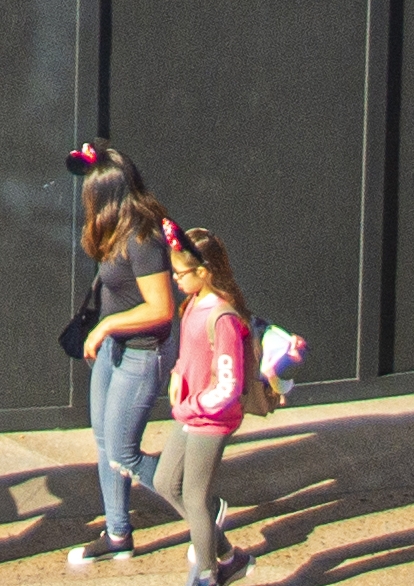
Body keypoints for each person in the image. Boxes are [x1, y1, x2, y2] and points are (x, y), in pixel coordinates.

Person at [69, 178, 180, 565]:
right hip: (114, 348)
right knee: (104, 443)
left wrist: (105, 326)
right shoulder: (114, 230)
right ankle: (117, 533)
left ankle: (200, 505)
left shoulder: (142, 237)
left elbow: (161, 308)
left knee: (123, 453)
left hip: (141, 352)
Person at [159, 229, 255, 586]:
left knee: (195, 499)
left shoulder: (223, 317)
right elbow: (190, 356)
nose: (174, 278)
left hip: (210, 420)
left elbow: (228, 387)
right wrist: (176, 373)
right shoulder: (193, 304)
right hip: (191, 413)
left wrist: (191, 407)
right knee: (165, 483)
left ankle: (208, 574)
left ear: (205, 271)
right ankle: (228, 558)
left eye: (181, 272)